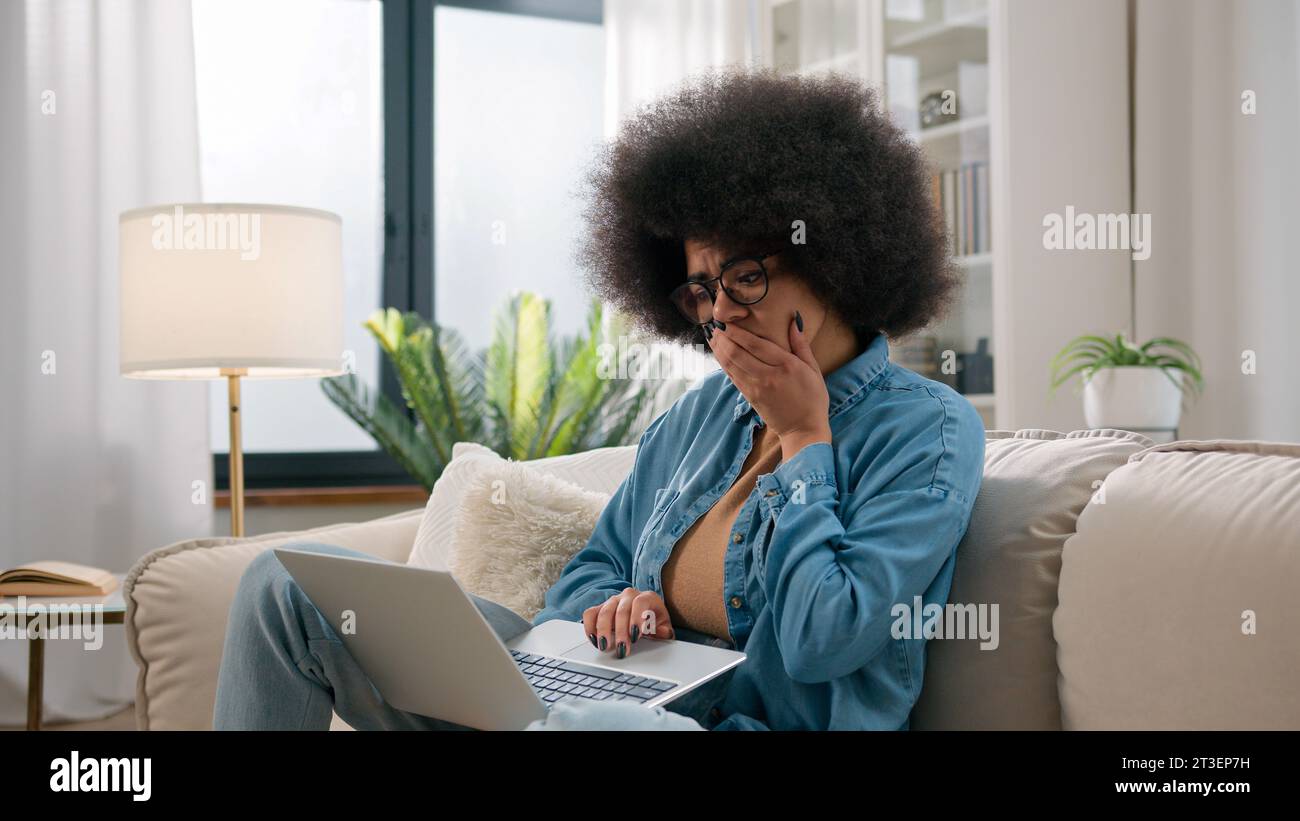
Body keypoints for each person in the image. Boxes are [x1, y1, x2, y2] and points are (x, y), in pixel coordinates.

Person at [212, 66, 985, 731]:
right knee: (283, 580)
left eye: (745, 276)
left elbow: (826, 638)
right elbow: (588, 574)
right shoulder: (695, 421)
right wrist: (614, 606)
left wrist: (806, 438)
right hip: (596, 701)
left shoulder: (928, 429)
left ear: (834, 257)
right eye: (703, 290)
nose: (722, 313)